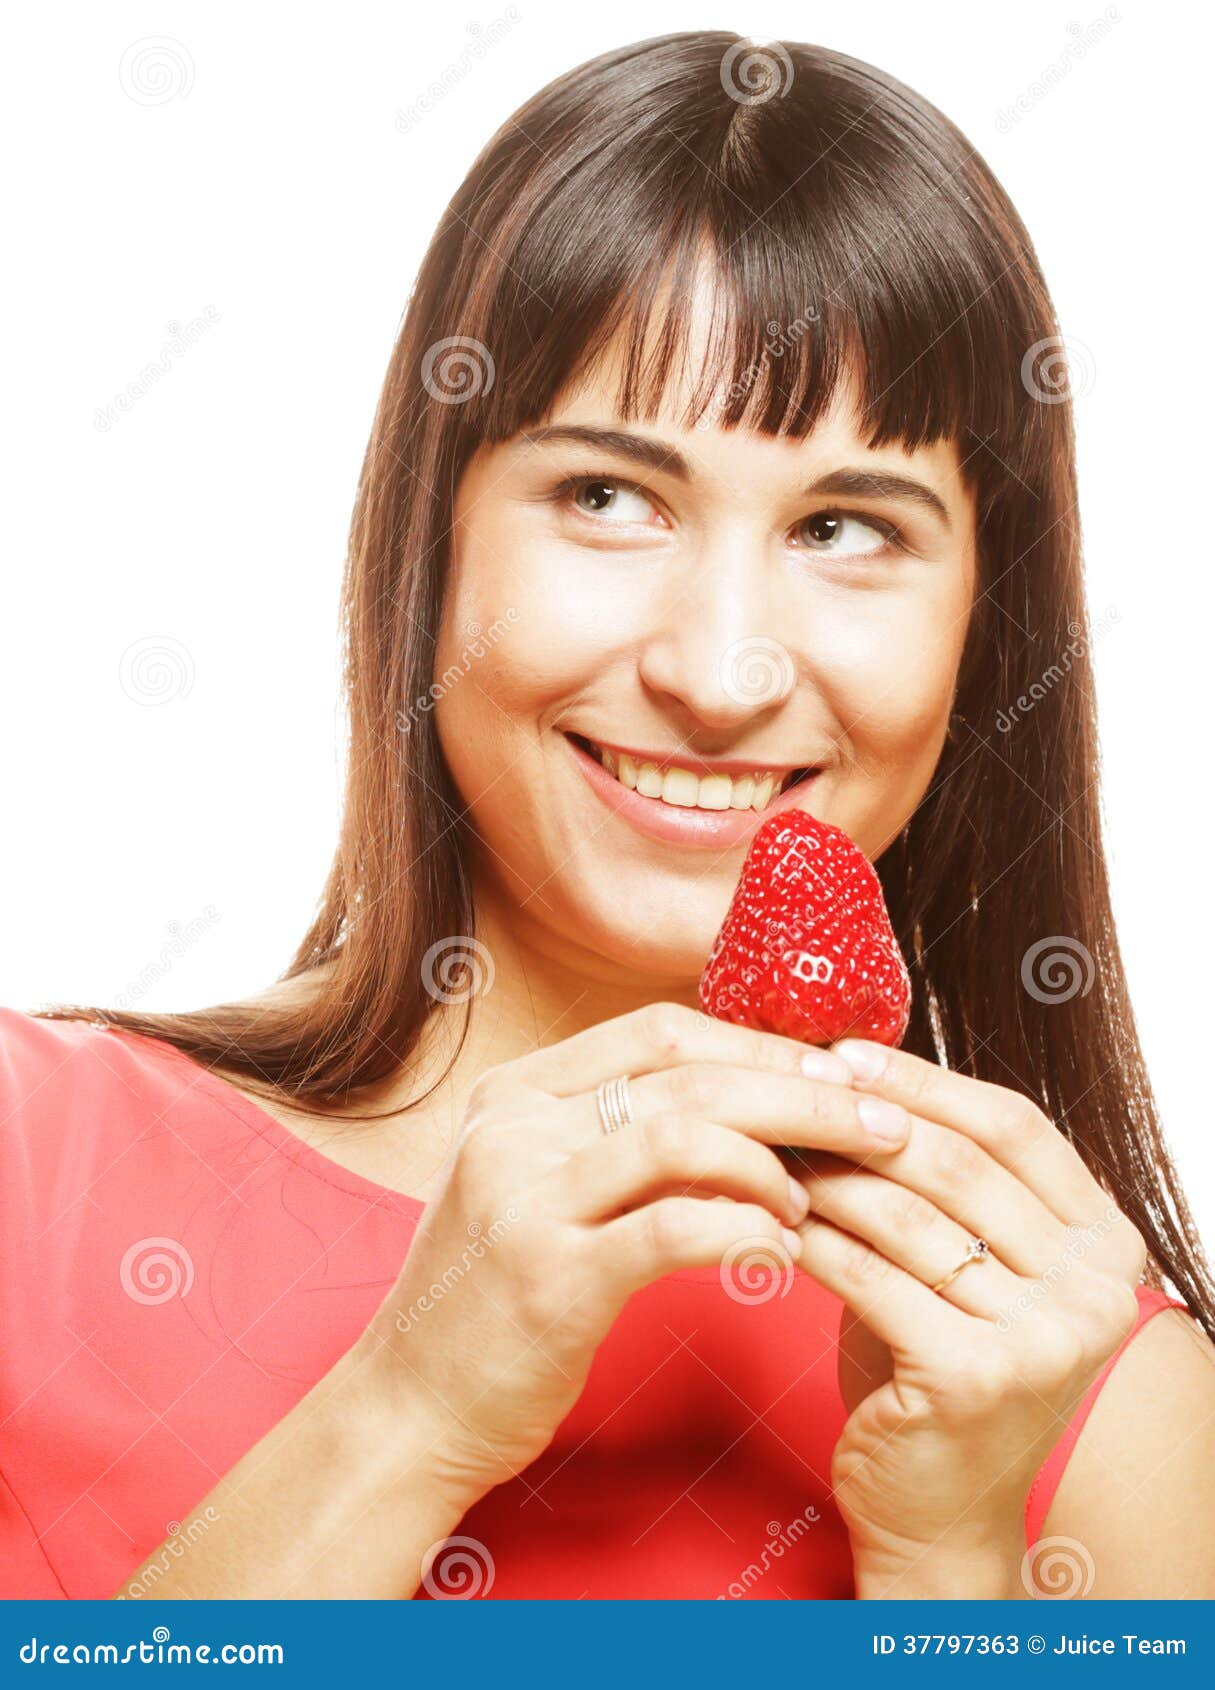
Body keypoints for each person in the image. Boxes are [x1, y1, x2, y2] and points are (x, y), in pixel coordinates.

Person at [3, 31, 1213, 1601]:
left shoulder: (1098, 1391)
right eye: (606, 496)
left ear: (988, 620)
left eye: (847, 526)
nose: (722, 670)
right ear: (432, 544)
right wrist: (405, 1412)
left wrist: (948, 1554)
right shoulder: (36, 1164)